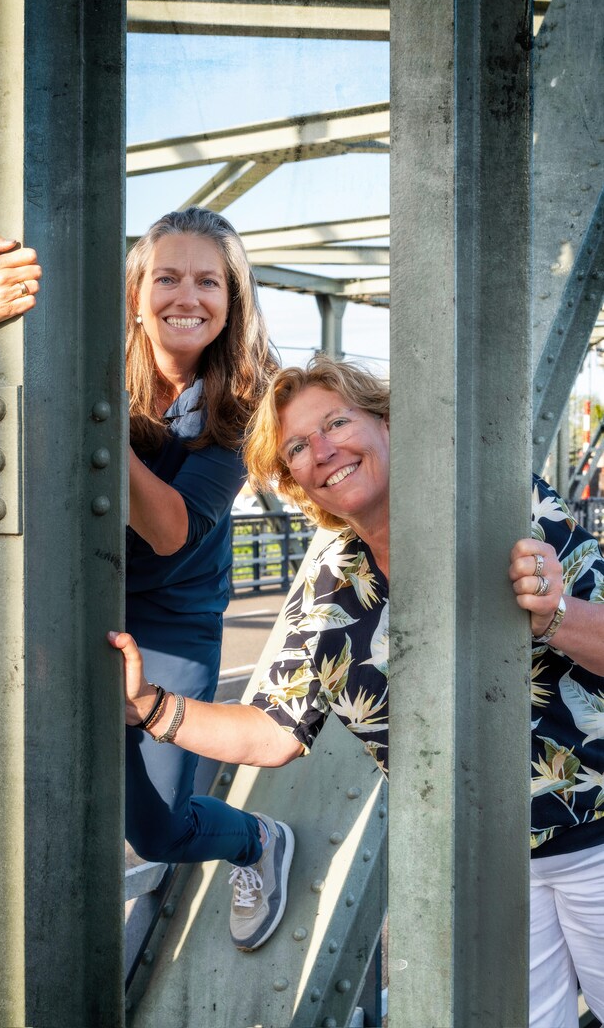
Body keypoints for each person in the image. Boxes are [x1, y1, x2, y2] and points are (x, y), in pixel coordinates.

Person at [110, 356, 604, 1025]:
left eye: (336, 422)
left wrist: (556, 614)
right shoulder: (329, 591)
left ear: (386, 420)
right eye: (297, 449)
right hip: (483, 867)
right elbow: (272, 732)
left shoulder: (500, 503)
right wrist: (152, 709)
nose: (324, 450)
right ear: (297, 483)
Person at [0, 207, 292, 953]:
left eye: (208, 281)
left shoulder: (246, 401)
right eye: (165, 277)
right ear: (135, 294)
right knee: (40, 780)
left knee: (158, 827)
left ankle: (257, 839)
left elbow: (169, 531)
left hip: (171, 615)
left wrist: (89, 422)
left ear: (232, 302)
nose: (185, 296)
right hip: (67, 594)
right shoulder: (91, 357)